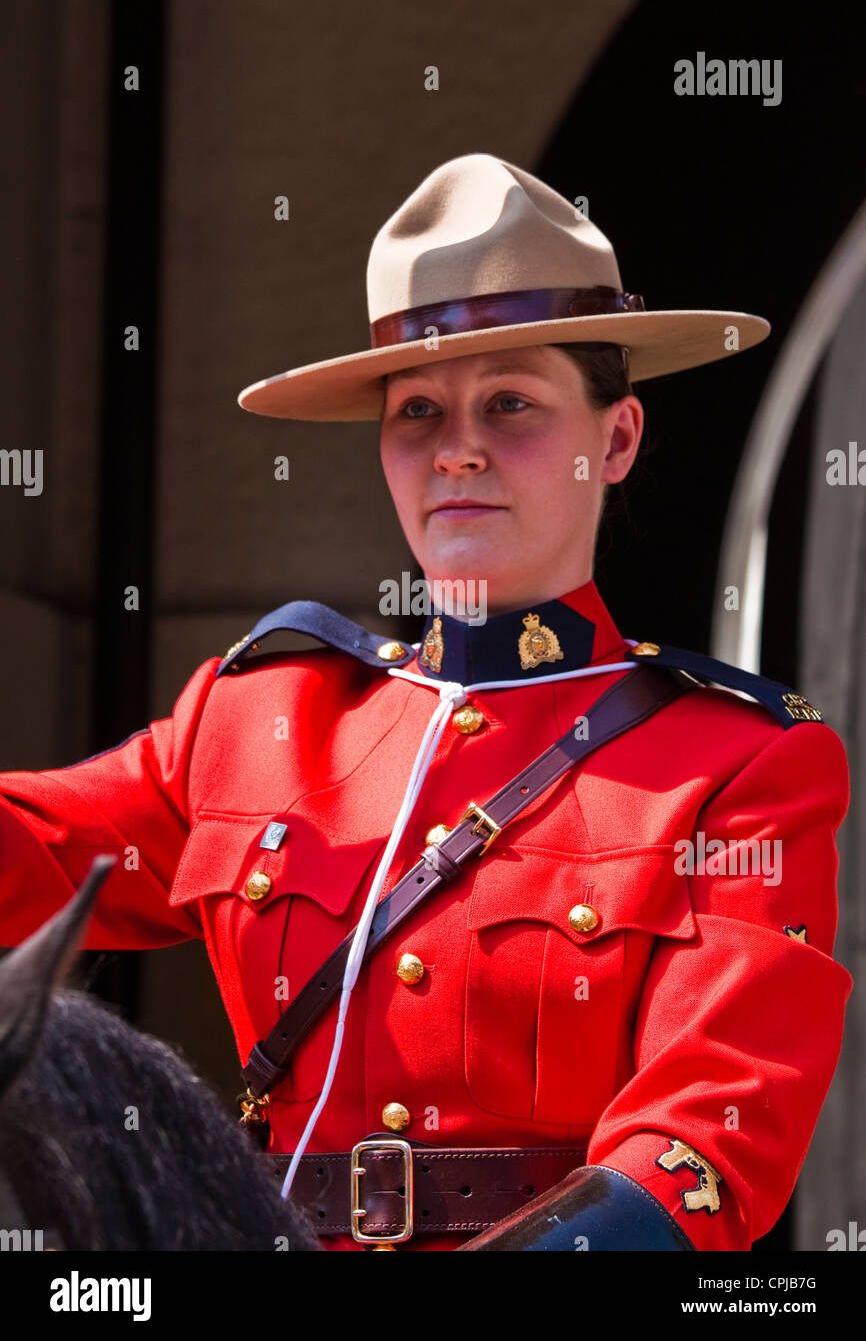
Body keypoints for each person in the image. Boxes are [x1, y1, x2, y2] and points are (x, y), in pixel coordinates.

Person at [0, 154, 852, 1252]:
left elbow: (709, 1135)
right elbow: (31, 849)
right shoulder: (255, 718)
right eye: (415, 411)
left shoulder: (736, 762)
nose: (457, 448)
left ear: (618, 441)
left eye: (510, 403)